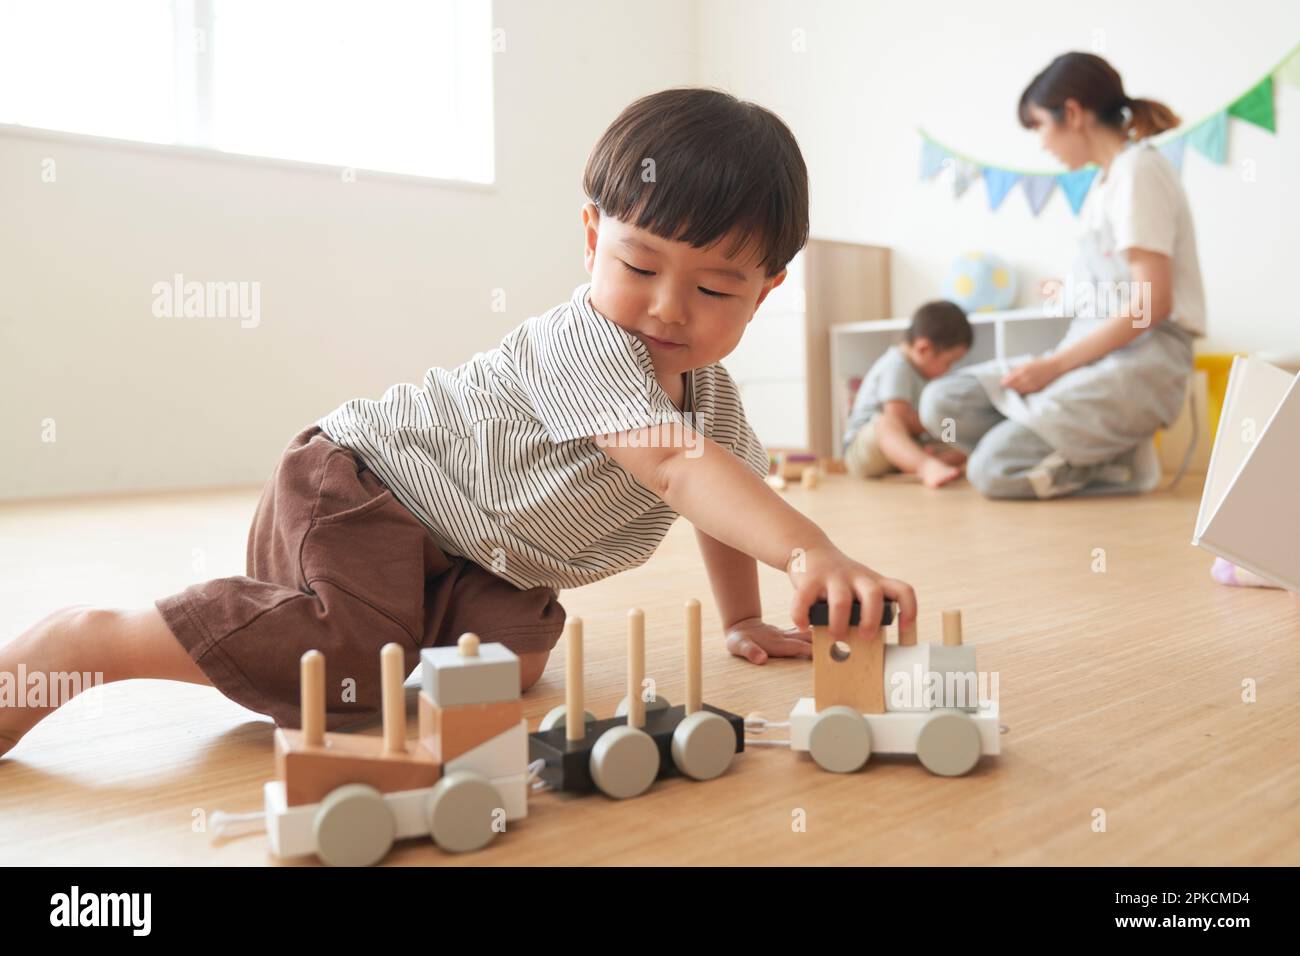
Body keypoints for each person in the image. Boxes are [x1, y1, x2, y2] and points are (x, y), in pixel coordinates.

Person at [1, 88, 917, 757]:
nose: (667, 309)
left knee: (511, 664)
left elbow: (721, 495)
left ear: (766, 292)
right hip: (366, 491)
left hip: (478, 555)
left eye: (715, 287)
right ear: (593, 239)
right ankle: (89, 642)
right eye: (639, 265)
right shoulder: (584, 343)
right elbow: (677, 472)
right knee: (350, 663)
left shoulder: (708, 399)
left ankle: (398, 628)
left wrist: (743, 619)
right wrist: (811, 552)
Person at [919, 52, 1206, 499]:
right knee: (941, 403)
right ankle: (1065, 445)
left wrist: (1052, 367)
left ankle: (1114, 463)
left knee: (991, 471)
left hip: (1147, 362)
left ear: (1071, 114)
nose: (1042, 145)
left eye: (1040, 128)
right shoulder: (1101, 186)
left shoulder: (1139, 173)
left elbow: (1151, 306)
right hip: (1088, 355)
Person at [843, 300, 972, 487]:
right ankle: (926, 466)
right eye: (948, 363)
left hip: (903, 445)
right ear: (923, 349)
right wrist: (937, 421)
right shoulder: (896, 366)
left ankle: (925, 462)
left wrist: (951, 432)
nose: (948, 370)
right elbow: (898, 416)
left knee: (962, 442)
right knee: (886, 421)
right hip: (864, 450)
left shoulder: (925, 372)